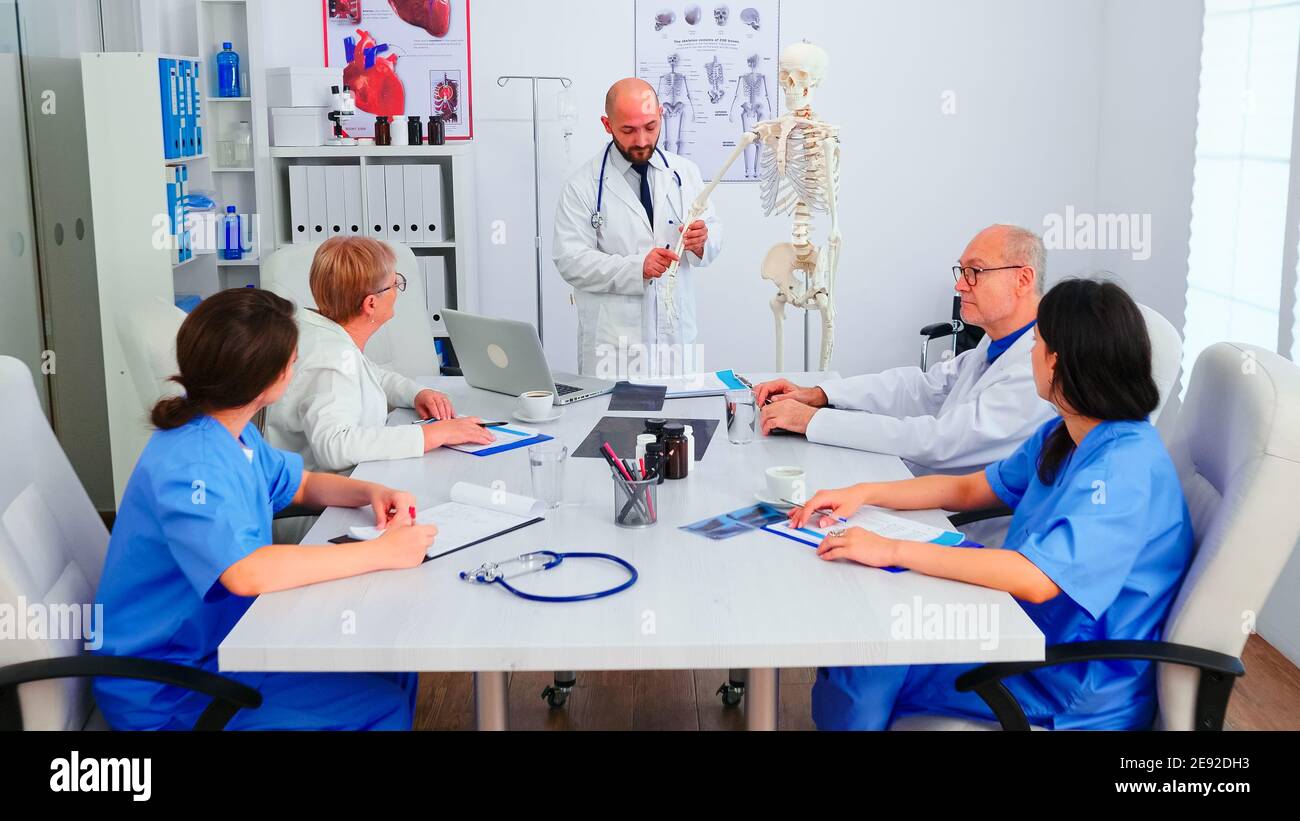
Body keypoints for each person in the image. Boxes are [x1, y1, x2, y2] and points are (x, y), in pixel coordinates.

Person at [791, 279, 1193, 730]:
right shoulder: (1067, 433)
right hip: (1018, 628)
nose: (1031, 353)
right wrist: (863, 493)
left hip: (1063, 678)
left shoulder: (1125, 472)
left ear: (1057, 361)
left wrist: (891, 549)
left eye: (1036, 342)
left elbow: (1039, 580)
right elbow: (967, 491)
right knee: (869, 640)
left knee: (869, 657)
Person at [94, 289, 438, 730]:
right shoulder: (191, 466)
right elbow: (245, 571)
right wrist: (382, 552)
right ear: (271, 377)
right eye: (293, 359)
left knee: (388, 658)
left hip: (231, 640)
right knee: (382, 704)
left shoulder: (229, 431)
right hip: (173, 688)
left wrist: (372, 491)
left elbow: (301, 484)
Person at [755, 225, 1055, 474]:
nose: (960, 285)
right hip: (922, 486)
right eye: (961, 272)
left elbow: (938, 441)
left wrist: (812, 420)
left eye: (974, 271)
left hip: (960, 523)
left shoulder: (1034, 373)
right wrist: (821, 394)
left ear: (1023, 279)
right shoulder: (998, 342)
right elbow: (923, 387)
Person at [267, 236, 493, 473]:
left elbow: (369, 373)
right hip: (327, 496)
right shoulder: (331, 359)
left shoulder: (317, 330)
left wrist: (416, 393)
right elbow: (335, 448)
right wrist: (432, 434)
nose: (397, 291)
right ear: (371, 304)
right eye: (395, 284)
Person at [553, 78, 723, 377]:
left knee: (680, 420)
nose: (642, 140)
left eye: (650, 126)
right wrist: (637, 268)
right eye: (628, 130)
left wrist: (702, 241)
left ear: (661, 114)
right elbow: (570, 260)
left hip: (674, 340)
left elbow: (712, 236)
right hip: (613, 346)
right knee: (613, 421)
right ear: (607, 125)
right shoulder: (582, 186)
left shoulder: (685, 174)